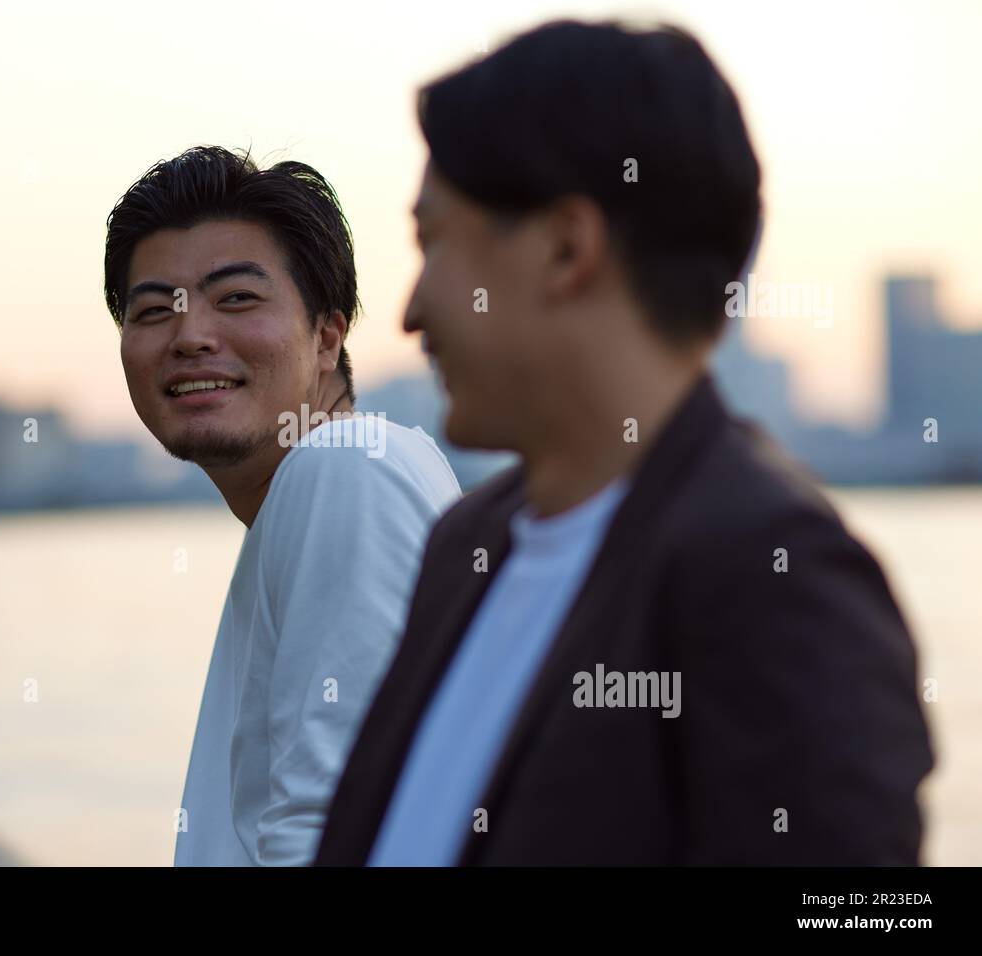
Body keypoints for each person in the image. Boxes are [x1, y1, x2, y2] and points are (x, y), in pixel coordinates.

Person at [314, 20, 934, 865]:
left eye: (433, 242)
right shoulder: (467, 545)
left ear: (567, 247)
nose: (412, 309)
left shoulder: (774, 579)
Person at [103, 146, 461, 865]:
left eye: (235, 297)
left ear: (327, 338)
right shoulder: (326, 488)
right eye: (151, 310)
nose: (190, 335)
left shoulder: (345, 470)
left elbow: (330, 840)